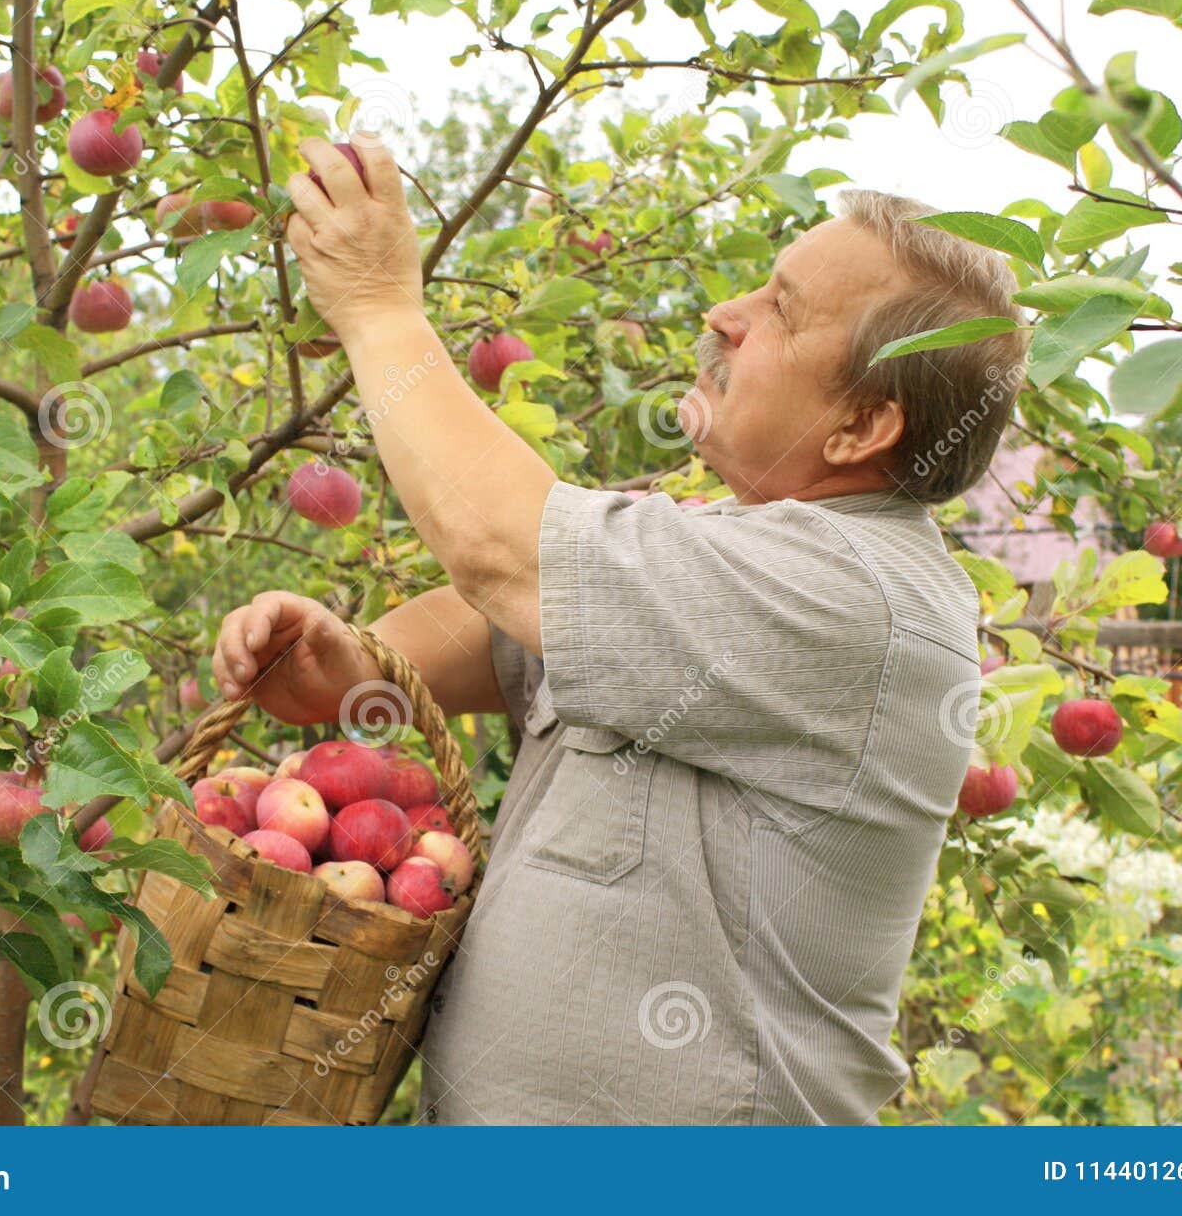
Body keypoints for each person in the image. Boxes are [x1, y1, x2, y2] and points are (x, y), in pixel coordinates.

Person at [213, 135, 1029, 1124]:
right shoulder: (731, 547)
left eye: (780, 311)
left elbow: (508, 551)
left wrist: (380, 308)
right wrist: (349, 668)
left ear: (860, 428)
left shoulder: (857, 593)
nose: (725, 318)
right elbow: (508, 624)